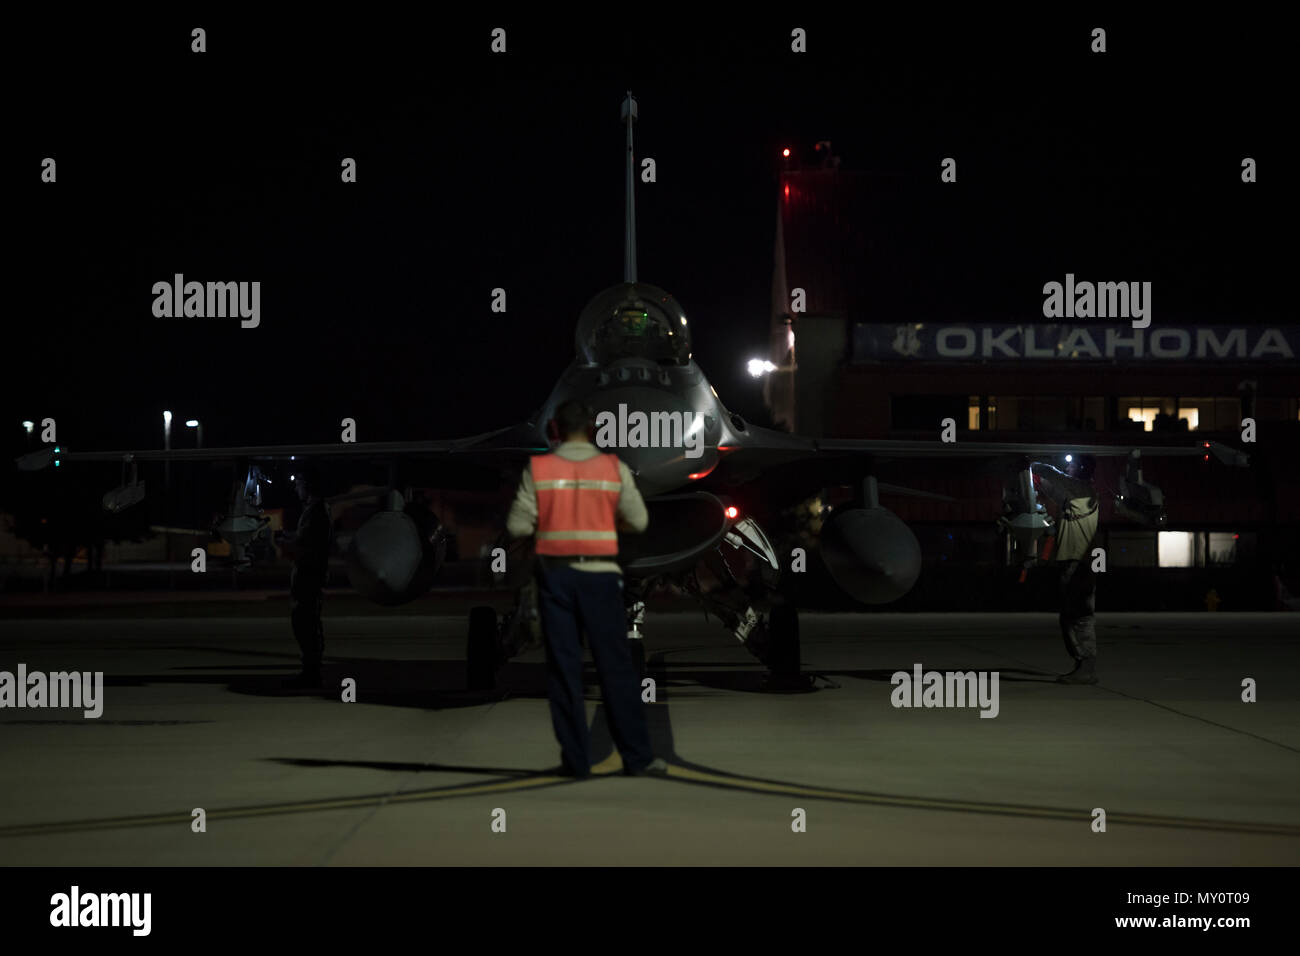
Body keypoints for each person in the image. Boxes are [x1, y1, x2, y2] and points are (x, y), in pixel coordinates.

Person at [506, 399, 666, 778]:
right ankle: (638, 758)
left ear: (554, 431)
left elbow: (515, 527)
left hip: (557, 578)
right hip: (601, 579)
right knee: (616, 669)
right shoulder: (613, 468)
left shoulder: (540, 469)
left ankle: (576, 762)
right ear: (594, 429)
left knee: (564, 670)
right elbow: (639, 520)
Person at [1030, 455, 1100, 685]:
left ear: (1079, 469)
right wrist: (1037, 480)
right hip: (1075, 563)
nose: (1067, 466)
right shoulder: (1078, 494)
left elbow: (1057, 478)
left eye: (1071, 464)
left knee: (1078, 616)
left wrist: (1035, 464)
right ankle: (1083, 664)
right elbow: (1056, 490)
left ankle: (1086, 666)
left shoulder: (1081, 489)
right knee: (1071, 616)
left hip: (1078, 563)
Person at [281, 468, 331, 688]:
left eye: (299, 483)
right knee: (306, 621)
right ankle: (311, 670)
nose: (296, 487)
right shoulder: (315, 510)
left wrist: (285, 544)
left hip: (308, 575)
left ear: (308, 486)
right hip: (309, 574)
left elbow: (307, 546)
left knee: (306, 622)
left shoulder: (315, 511)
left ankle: (312, 672)